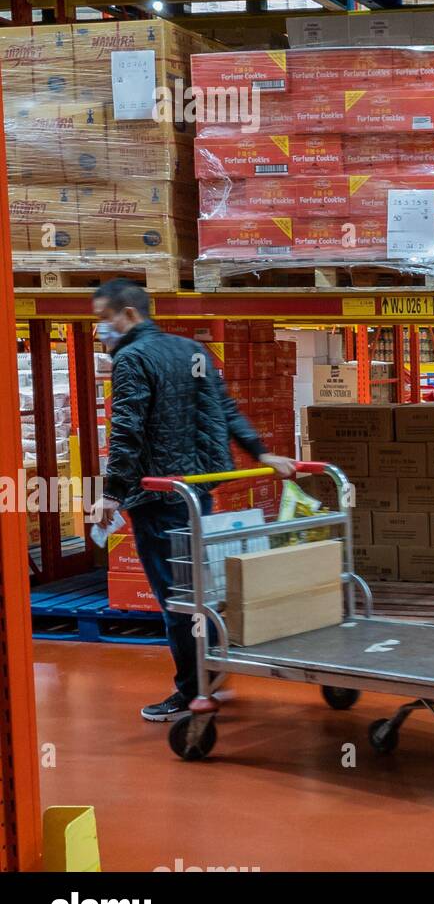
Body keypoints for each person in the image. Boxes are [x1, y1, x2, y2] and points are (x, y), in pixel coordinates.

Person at [87, 279, 295, 721]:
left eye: (104, 319)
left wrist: (111, 494)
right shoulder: (191, 351)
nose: (100, 330)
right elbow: (226, 408)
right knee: (201, 584)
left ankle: (191, 690)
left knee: (177, 595)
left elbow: (127, 430)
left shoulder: (132, 358)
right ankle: (210, 673)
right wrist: (261, 451)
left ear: (127, 316)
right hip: (197, 489)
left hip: (159, 495)